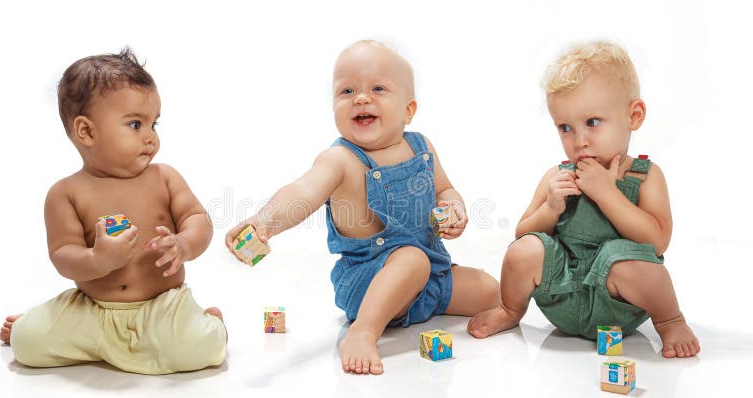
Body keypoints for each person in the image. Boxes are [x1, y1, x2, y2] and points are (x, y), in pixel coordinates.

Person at [225, 40, 500, 374]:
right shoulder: (339, 160)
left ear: (408, 110)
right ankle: (363, 331)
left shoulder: (422, 147)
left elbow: (445, 189)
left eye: (379, 88)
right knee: (411, 259)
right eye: (347, 90)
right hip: (367, 281)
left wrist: (454, 208)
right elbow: (302, 191)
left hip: (430, 276)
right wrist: (265, 221)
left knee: (491, 290)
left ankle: (464, 314)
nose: (361, 98)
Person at [0, 49, 227, 374]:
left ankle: (209, 322)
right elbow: (63, 254)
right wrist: (97, 261)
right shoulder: (65, 193)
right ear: (87, 132)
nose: (151, 138)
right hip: (92, 310)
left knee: (197, 348)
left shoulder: (164, 178)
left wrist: (185, 244)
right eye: (136, 124)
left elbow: (197, 219)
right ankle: (44, 325)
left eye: (154, 124)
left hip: (161, 307)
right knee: (27, 343)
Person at [467, 41, 700, 358]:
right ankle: (510, 309)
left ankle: (671, 321)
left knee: (631, 261)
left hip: (618, 302)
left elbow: (657, 242)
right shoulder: (558, 176)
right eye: (565, 127)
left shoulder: (645, 176)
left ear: (633, 116)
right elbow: (523, 234)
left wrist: (607, 194)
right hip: (563, 294)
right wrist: (551, 208)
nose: (580, 141)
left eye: (592, 122)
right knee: (526, 249)